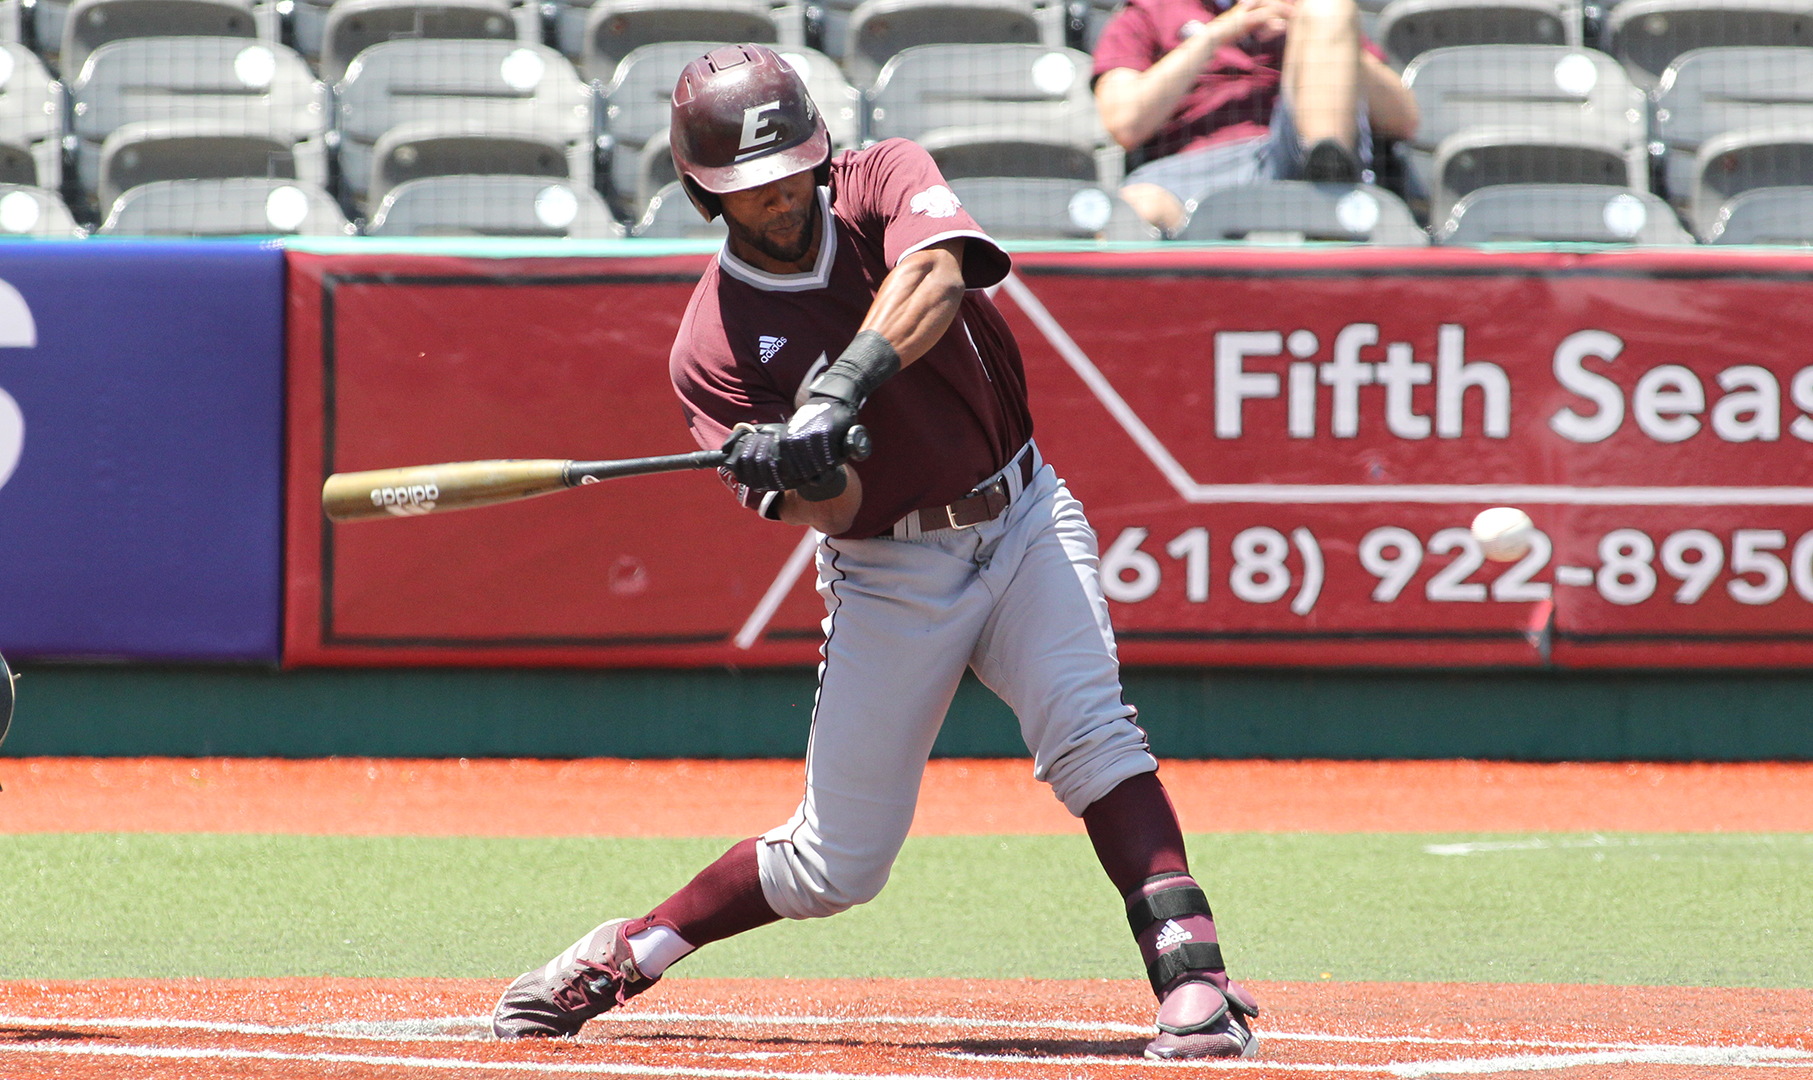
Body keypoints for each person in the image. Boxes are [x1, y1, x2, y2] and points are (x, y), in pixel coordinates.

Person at [491, 42, 1259, 1061]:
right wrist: (802, 465)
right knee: (835, 866)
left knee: (1092, 736)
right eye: (753, 188)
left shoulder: (879, 175)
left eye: (794, 169)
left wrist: (837, 389)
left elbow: (938, 274)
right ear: (705, 195)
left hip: (1024, 514)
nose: (785, 196)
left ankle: (1194, 980)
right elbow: (836, 508)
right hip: (892, 570)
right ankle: (629, 950)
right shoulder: (711, 353)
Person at [1092, 0, 1421, 234]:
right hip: (1188, 173)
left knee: (1330, 5)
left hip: (1288, 159)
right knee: (1132, 211)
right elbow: (1125, 121)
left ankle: (1327, 192)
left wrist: (1313, 32)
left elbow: (1405, 120)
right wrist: (1216, 35)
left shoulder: (1308, 9)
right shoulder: (1149, 11)